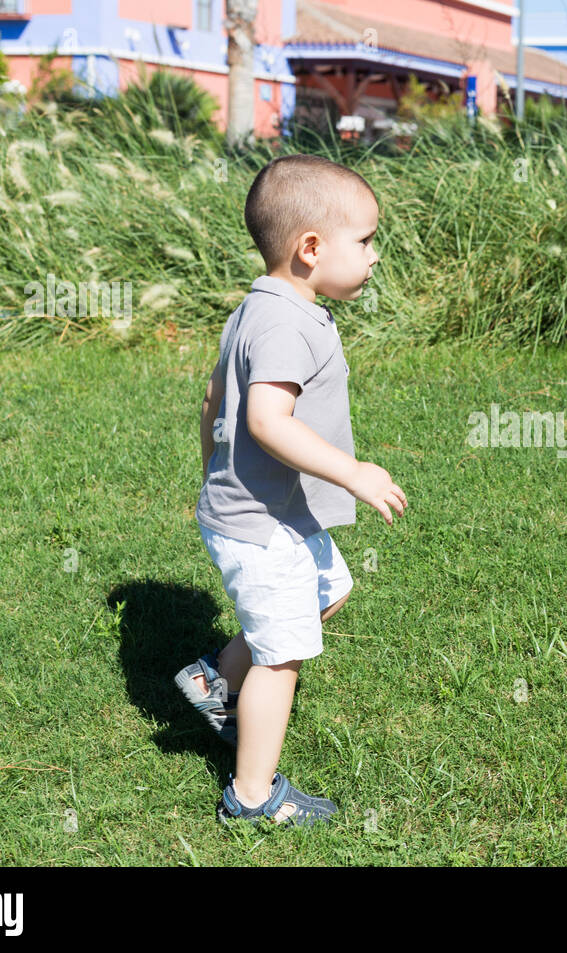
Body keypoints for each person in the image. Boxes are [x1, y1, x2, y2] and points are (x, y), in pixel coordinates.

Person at [175, 154, 407, 826]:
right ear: (311, 249)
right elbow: (264, 420)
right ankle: (250, 798)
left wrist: (211, 468)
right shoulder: (283, 323)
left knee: (329, 590)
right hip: (260, 524)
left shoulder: (267, 305)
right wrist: (354, 473)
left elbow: (213, 398)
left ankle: (215, 678)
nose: (374, 255)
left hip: (266, 509)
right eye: (364, 241)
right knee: (284, 657)